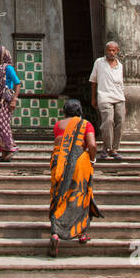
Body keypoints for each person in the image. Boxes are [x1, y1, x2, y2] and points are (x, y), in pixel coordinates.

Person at [49, 98, 100, 256]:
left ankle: (56, 233)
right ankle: (81, 233)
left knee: (60, 196)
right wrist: (92, 159)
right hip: (78, 163)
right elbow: (92, 144)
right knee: (80, 196)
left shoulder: (58, 125)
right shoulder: (86, 124)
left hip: (59, 163)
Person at [89, 40, 126, 160]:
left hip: (119, 97)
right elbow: (93, 81)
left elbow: (120, 83)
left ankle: (112, 148)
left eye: (113, 50)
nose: (111, 52)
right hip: (104, 96)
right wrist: (93, 98)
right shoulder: (99, 62)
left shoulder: (120, 65)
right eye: (109, 50)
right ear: (106, 51)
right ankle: (110, 149)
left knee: (120, 121)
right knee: (108, 121)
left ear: (117, 51)